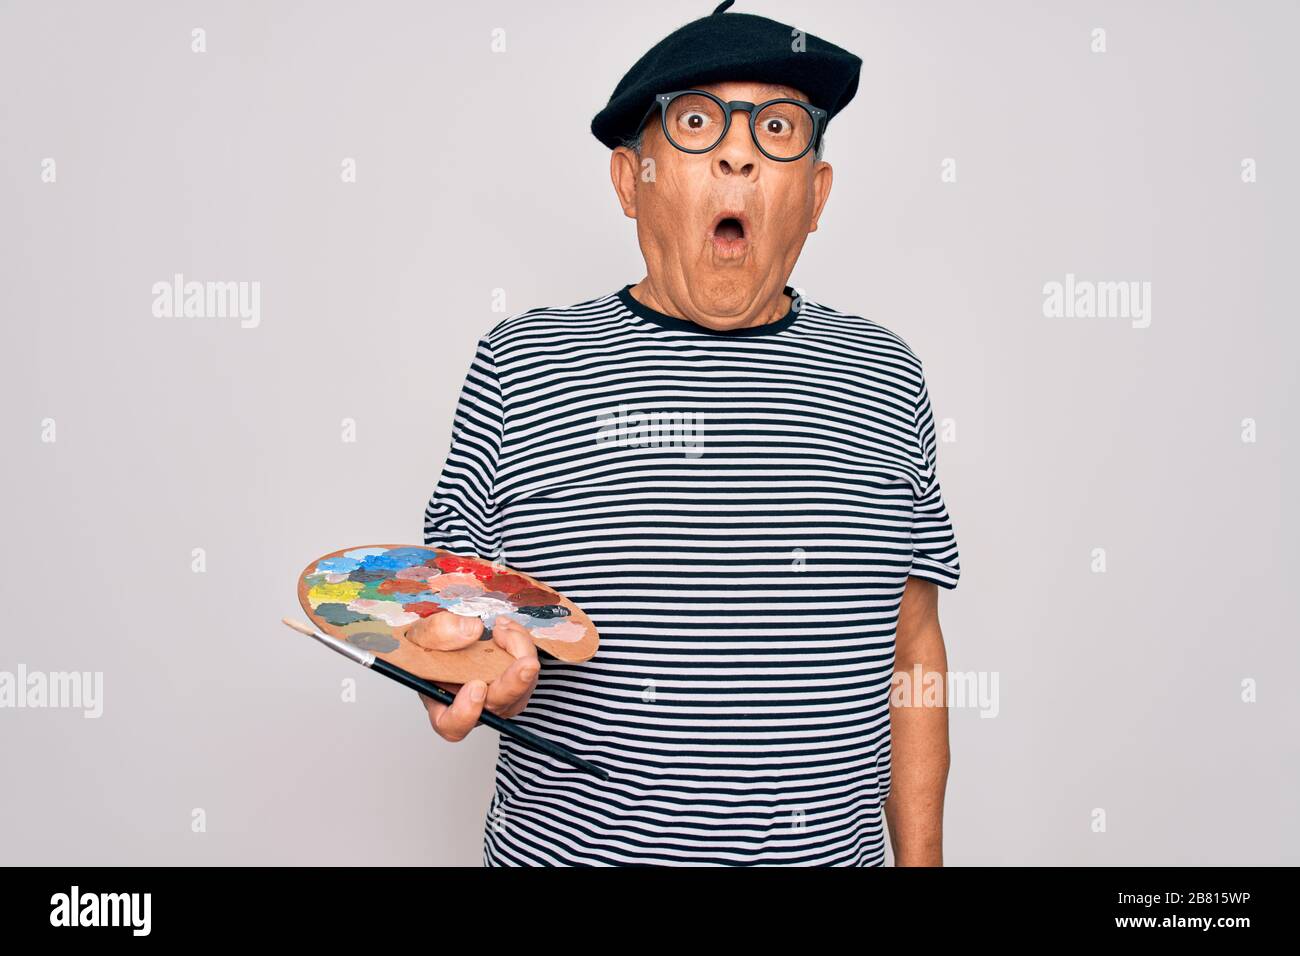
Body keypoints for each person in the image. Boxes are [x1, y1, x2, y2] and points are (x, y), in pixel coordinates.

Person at [417, 0, 962, 866]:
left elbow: (913, 648)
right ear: (632, 180)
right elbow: (446, 618)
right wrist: (463, 679)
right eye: (699, 121)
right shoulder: (521, 364)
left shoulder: (885, 376)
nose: (741, 152)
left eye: (780, 127)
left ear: (815, 196)